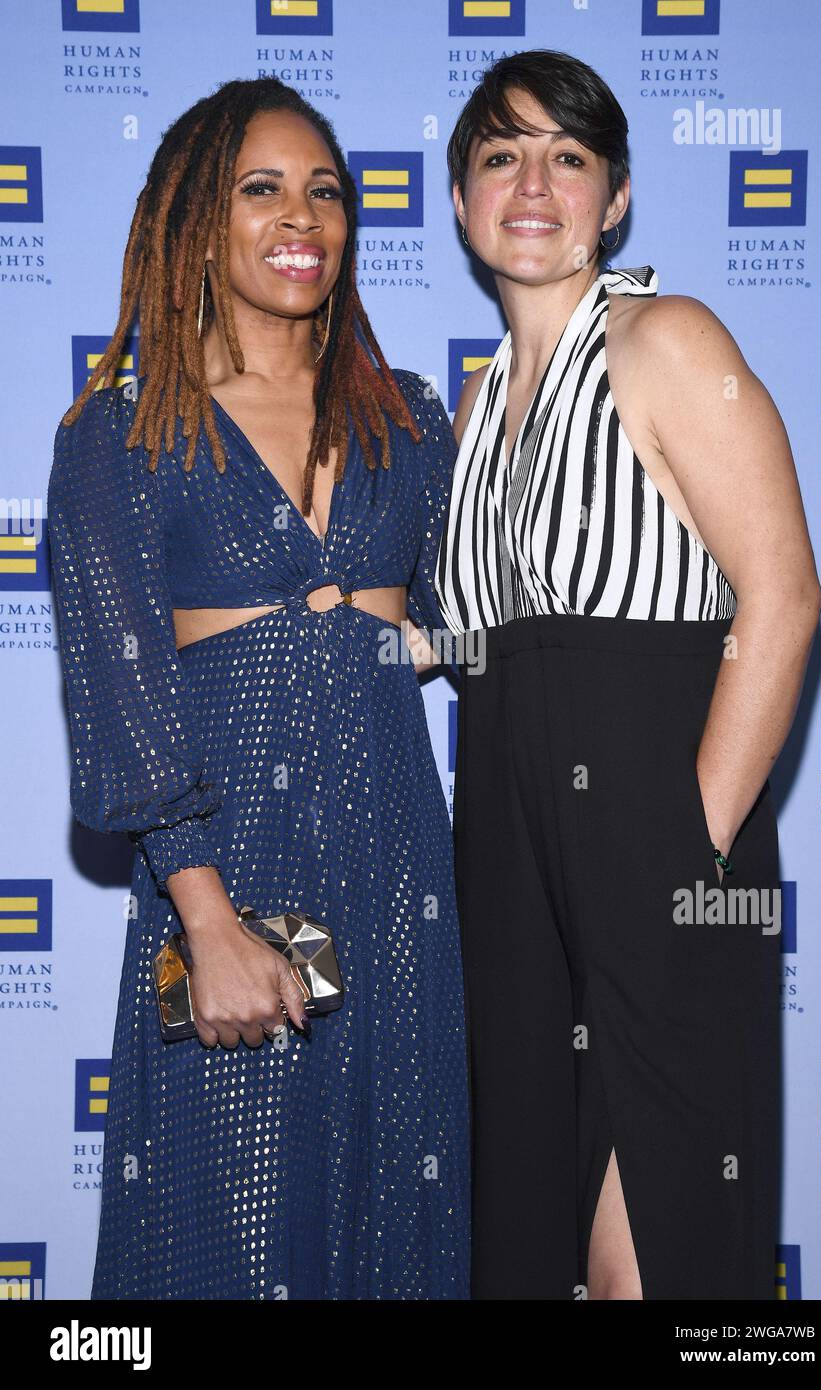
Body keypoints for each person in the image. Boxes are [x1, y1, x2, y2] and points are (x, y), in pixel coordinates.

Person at [48, 77, 469, 1301]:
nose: (303, 216)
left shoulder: (412, 424)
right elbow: (116, 689)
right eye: (262, 188)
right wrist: (206, 917)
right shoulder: (124, 430)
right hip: (230, 883)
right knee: (221, 1239)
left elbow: (463, 623)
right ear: (197, 217)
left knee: (407, 1219)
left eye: (326, 191)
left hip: (401, 880)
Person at [435, 50, 821, 1301]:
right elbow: (464, 649)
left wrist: (686, 844)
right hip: (507, 859)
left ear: (615, 197)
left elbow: (784, 598)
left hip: (659, 844)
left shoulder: (668, 341)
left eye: (568, 156)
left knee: (654, 1258)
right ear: (458, 201)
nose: (532, 183)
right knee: (532, 1239)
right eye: (500, 155)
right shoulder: (474, 411)